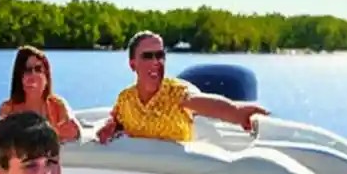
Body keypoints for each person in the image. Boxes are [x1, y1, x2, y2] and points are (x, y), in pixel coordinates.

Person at [95, 30, 270, 143]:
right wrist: (110, 128)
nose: (156, 62)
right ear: (133, 64)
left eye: (160, 55)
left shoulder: (176, 93)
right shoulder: (125, 98)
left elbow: (208, 104)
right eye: (148, 56)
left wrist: (237, 112)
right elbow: (117, 121)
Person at [0, 45, 81, 142]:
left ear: (46, 76)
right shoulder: (8, 110)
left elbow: (75, 130)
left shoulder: (57, 105)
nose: (33, 76)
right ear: (19, 77)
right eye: (27, 70)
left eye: (38, 69)